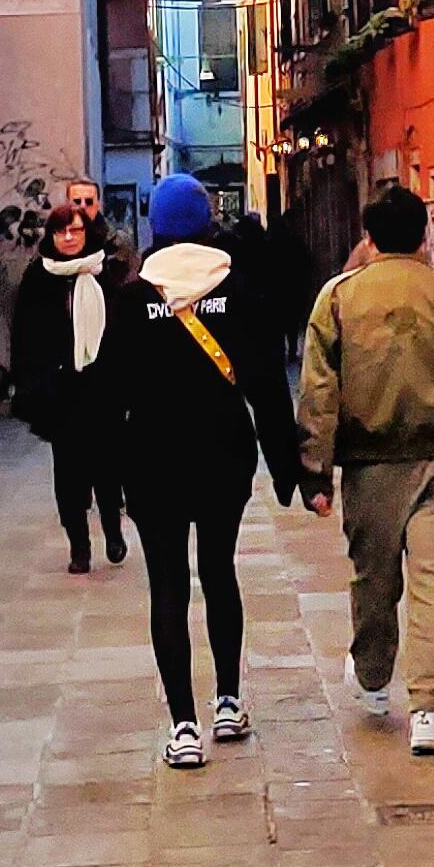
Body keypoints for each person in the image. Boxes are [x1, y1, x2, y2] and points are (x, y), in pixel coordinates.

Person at [298, 184, 434, 758]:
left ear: (368, 237)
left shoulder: (338, 299)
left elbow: (319, 390)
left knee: (374, 578)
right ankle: (429, 710)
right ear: (423, 235)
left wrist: (315, 471)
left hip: (370, 466)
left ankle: (373, 677)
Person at [107, 172, 306, 770]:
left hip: (151, 458)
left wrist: (107, 480)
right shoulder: (239, 290)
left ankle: (183, 727)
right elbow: (269, 389)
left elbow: (109, 395)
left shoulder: (132, 298)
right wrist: (288, 470)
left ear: (156, 228)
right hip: (222, 454)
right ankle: (227, 701)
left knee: (167, 585)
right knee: (218, 572)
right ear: (207, 223)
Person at [8, 186, 126, 571]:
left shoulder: (105, 272)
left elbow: (124, 333)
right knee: (69, 475)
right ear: (52, 237)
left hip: (103, 388)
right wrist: (33, 384)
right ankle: (79, 546)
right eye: (62, 232)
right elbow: (24, 335)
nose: (70, 238)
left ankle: (113, 530)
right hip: (61, 392)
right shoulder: (38, 278)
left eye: (75, 230)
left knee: (108, 468)